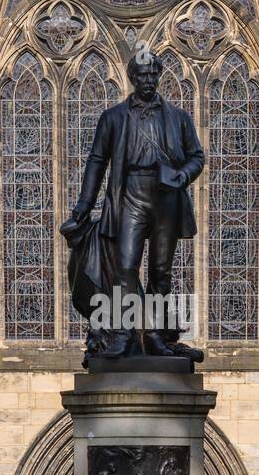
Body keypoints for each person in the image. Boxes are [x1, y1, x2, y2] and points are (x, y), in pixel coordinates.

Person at [60, 49, 205, 361]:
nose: (149, 80)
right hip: (130, 195)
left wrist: (182, 176)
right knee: (126, 267)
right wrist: (83, 206)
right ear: (132, 78)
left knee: (161, 271)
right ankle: (124, 335)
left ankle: (154, 336)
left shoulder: (179, 118)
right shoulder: (113, 117)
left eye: (154, 74)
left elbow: (197, 156)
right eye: (143, 75)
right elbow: (97, 161)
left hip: (167, 197)